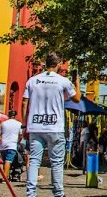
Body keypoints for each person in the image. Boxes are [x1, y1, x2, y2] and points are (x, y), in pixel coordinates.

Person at [23, 52, 81, 197]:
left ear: (45, 63)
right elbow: (77, 99)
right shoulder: (63, 81)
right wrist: (77, 82)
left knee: (34, 160)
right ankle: (58, 193)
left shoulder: (32, 80)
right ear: (59, 64)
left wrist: (25, 124)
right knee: (56, 162)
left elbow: (24, 102)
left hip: (35, 125)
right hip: (55, 126)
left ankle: (30, 193)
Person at [0, 110, 23, 181]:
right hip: (12, 144)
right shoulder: (19, 124)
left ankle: (6, 175)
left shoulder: (3, 123)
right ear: (15, 116)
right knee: (8, 161)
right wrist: (18, 142)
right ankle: (5, 177)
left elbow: (0, 133)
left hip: (3, 144)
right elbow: (21, 135)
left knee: (5, 161)